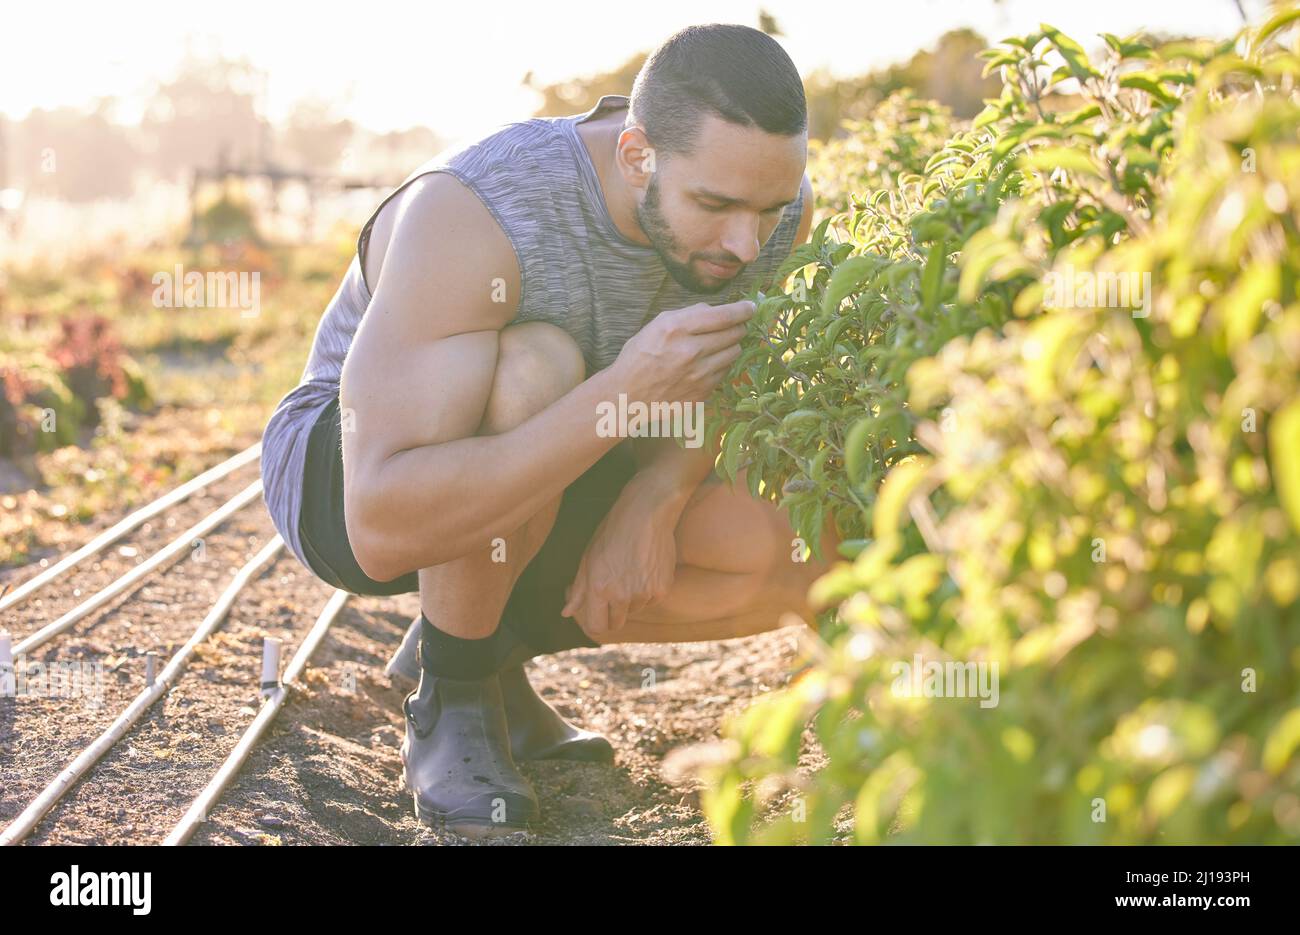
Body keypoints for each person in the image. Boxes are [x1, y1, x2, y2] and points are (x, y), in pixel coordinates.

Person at [260, 22, 838, 838]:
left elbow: (718, 371)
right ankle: (454, 695)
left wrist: (657, 493)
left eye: (771, 208)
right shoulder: (481, 207)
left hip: (570, 455)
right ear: (637, 153)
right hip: (353, 471)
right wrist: (625, 391)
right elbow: (383, 524)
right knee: (539, 363)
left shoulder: (769, 214)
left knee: (794, 555)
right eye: (714, 205)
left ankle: (489, 652)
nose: (747, 242)